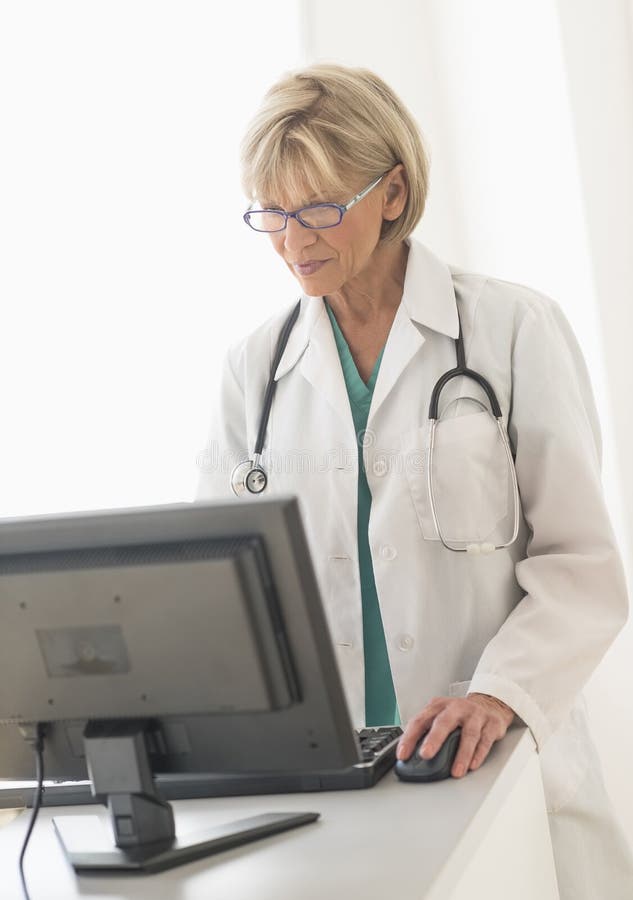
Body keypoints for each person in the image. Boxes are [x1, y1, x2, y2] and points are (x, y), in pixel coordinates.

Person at [195, 63, 633, 898]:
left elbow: (580, 565)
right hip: (335, 787)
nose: (293, 241)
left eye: (319, 209)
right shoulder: (252, 371)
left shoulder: (511, 328)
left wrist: (497, 696)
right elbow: (221, 590)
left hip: (496, 758)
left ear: (391, 192)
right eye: (272, 213)